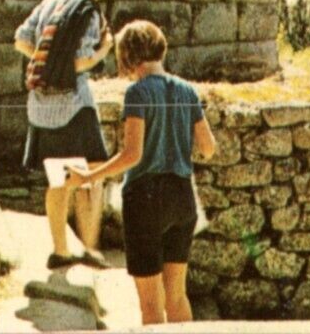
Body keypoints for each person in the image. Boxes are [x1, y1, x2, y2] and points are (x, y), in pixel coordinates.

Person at [67, 20, 216, 325]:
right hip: (182, 197)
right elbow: (209, 148)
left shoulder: (137, 93)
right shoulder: (188, 90)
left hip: (145, 200)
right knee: (177, 296)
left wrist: (89, 177)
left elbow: (132, 155)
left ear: (129, 56)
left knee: (151, 305)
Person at [14, 0, 123, 269]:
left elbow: (21, 40)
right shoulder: (90, 12)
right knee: (93, 172)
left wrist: (47, 63)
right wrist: (104, 49)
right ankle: (90, 249)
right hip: (74, 105)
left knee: (58, 179)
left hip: (40, 107)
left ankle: (61, 250)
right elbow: (79, 62)